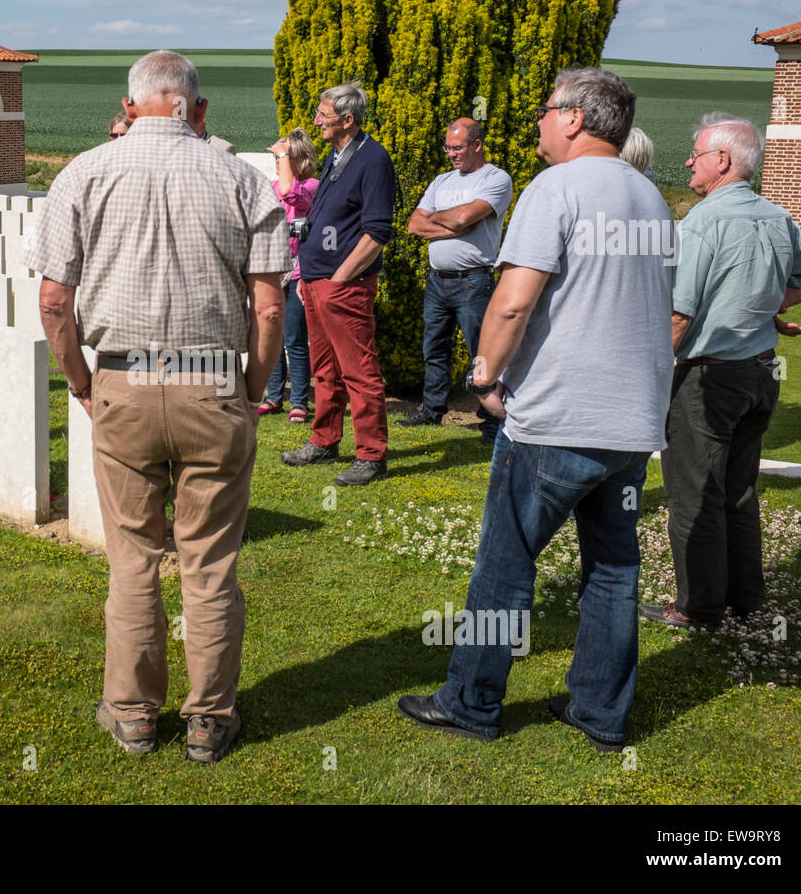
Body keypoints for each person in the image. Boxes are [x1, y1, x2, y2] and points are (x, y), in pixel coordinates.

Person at [22, 50, 290, 763]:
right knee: (209, 563)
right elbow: (268, 309)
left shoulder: (81, 174)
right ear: (198, 111)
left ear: (132, 105)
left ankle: (134, 713)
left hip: (123, 382)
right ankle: (209, 718)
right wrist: (255, 387)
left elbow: (54, 299)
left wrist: (80, 382)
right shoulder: (244, 181)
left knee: (134, 558)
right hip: (212, 383)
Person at [397, 68, 675, 752]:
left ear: (576, 118)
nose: (540, 124)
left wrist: (487, 378)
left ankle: (471, 702)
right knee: (613, 571)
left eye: (548, 112)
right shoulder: (654, 199)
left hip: (557, 416)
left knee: (505, 562)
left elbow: (514, 299)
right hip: (632, 421)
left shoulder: (555, 189)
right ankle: (600, 713)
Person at [640, 114, 801, 630]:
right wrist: (762, 308)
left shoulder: (702, 221)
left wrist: (653, 377)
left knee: (695, 495)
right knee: (739, 492)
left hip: (709, 378)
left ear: (722, 160)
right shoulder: (775, 215)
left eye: (696, 154)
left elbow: (679, 313)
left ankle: (699, 607)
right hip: (760, 374)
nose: (687, 162)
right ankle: (746, 597)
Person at [280, 82, 396, 486]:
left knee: (358, 370)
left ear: (348, 120)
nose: (316, 121)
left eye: (323, 115)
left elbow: (378, 229)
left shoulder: (373, 159)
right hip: (314, 281)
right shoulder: (337, 156)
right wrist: (306, 275)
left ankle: (371, 456)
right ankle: (325, 441)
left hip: (342, 284)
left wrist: (342, 276)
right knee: (324, 369)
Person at [403, 118, 513, 443]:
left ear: (477, 145)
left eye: (458, 147)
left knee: (483, 352)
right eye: (448, 147)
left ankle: (492, 420)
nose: (451, 154)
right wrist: (451, 222)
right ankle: (432, 409)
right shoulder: (442, 181)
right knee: (434, 347)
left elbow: (467, 217)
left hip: (474, 281)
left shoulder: (496, 179)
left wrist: (441, 217)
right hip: (438, 281)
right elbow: (413, 224)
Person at [257, 127, 318, 423]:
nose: (279, 163)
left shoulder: (311, 186)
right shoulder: (270, 187)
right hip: (275, 267)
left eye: (284, 158)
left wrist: (281, 153)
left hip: (299, 270)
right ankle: (273, 397)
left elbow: (289, 193)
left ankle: (299, 401)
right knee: (272, 335)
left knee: (294, 337)